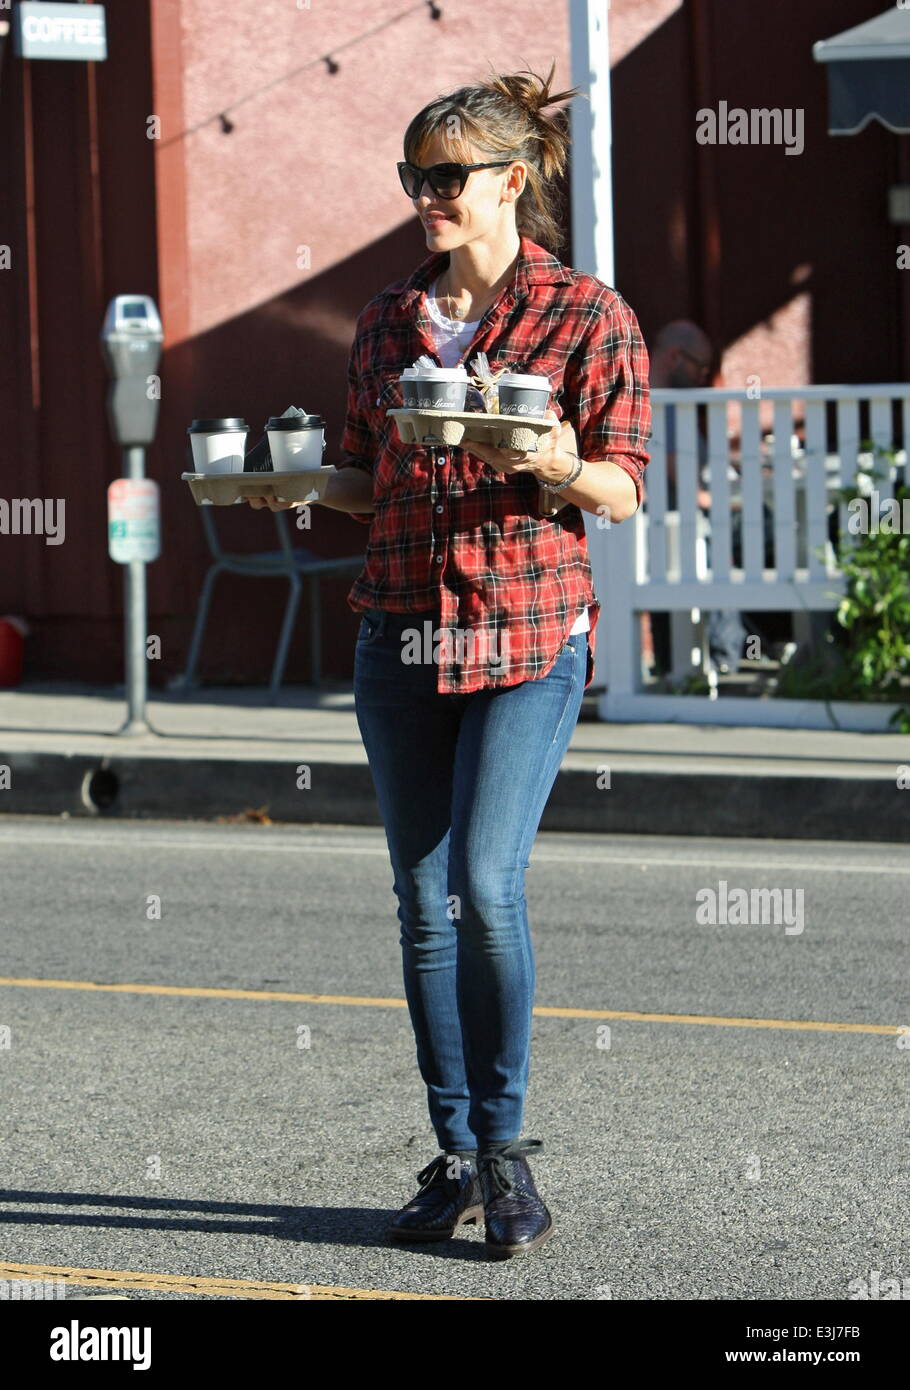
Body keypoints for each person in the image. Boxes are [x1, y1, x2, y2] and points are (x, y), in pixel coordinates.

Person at [247, 60, 650, 1259]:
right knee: (423, 901)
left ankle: (508, 1149)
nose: (425, 197)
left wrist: (551, 458)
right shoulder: (387, 320)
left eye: (445, 177)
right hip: (399, 632)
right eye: (412, 177)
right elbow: (367, 479)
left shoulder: (586, 315)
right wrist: (295, 485)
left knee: (484, 880)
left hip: (527, 634)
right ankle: (457, 1153)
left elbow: (622, 490)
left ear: (510, 181)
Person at [647, 321, 749, 675]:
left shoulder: (656, 403)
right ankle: (726, 657)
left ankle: (682, 664)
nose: (704, 376)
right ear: (676, 357)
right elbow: (691, 491)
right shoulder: (664, 410)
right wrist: (738, 499)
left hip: (669, 527)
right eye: (700, 366)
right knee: (761, 532)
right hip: (678, 525)